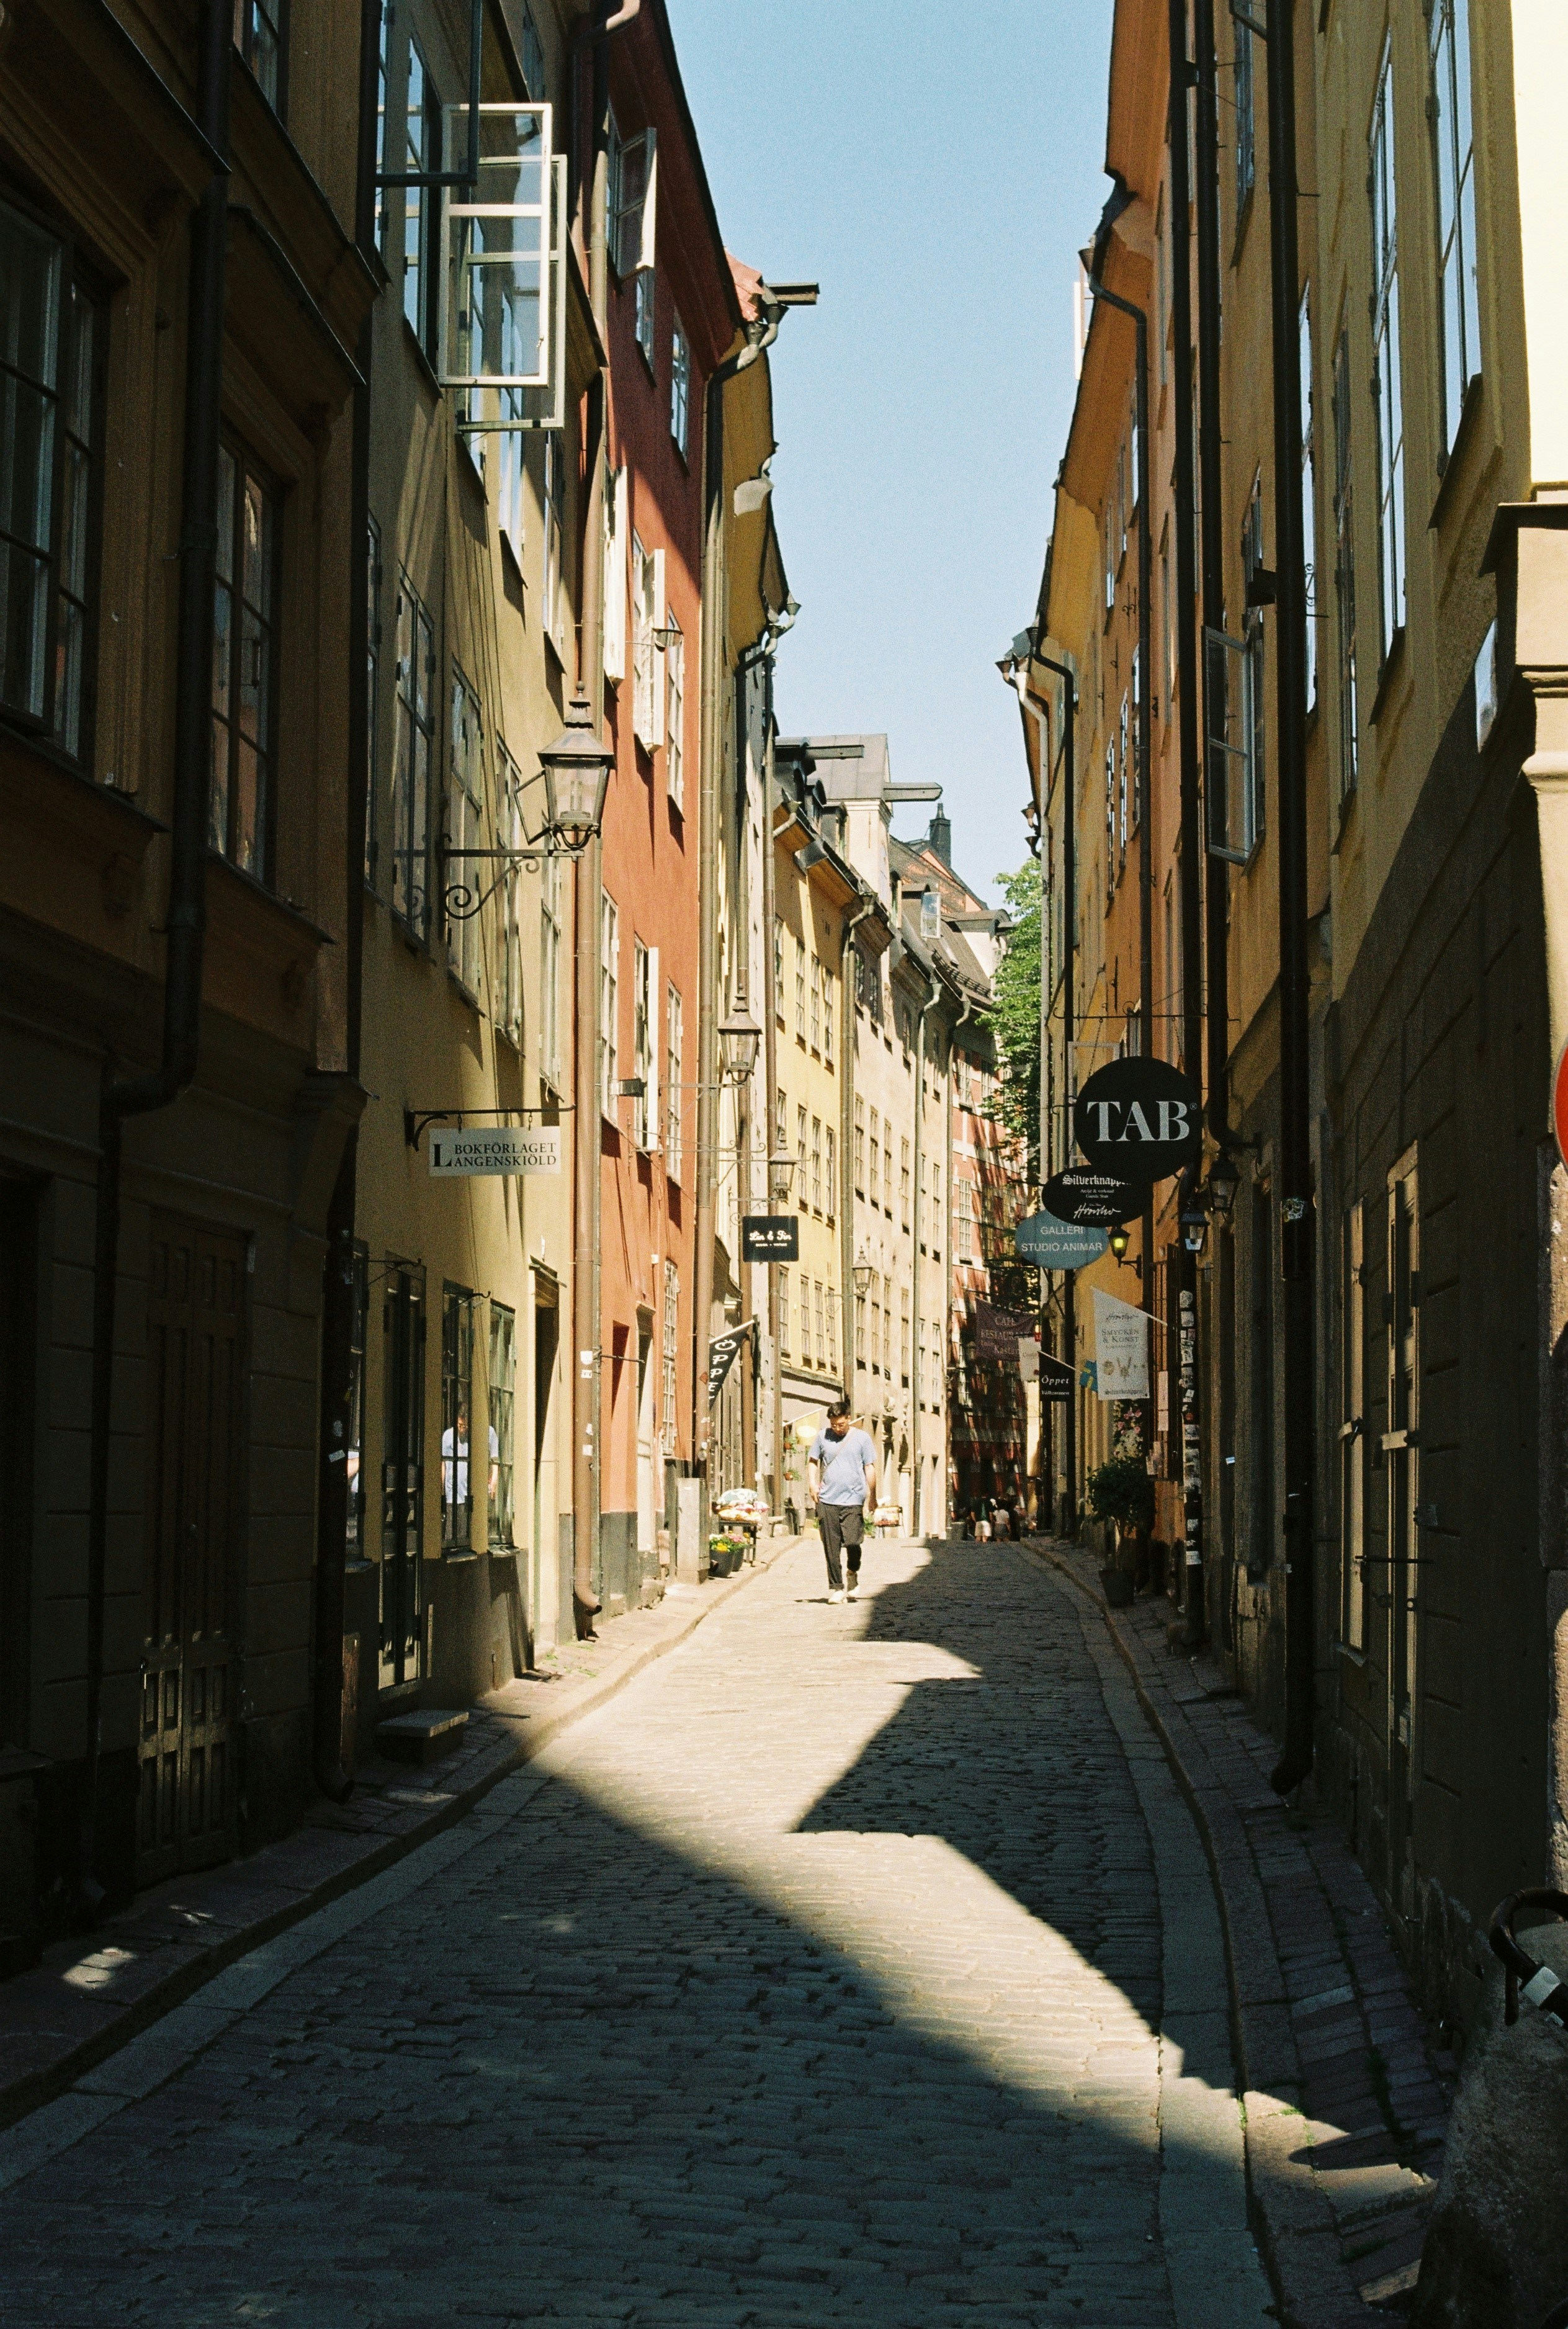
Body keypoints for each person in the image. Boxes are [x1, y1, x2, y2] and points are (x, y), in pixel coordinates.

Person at [805, 1398, 878, 1604]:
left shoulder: (862, 1439)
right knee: (831, 1545)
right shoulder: (822, 1437)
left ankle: (852, 1572)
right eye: (834, 1425)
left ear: (849, 1418)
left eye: (841, 1424)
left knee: (854, 1541)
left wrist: (872, 1496)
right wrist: (812, 1484)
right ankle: (836, 1587)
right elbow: (813, 1461)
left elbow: (870, 1468)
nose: (837, 1429)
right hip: (827, 1499)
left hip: (854, 1498)